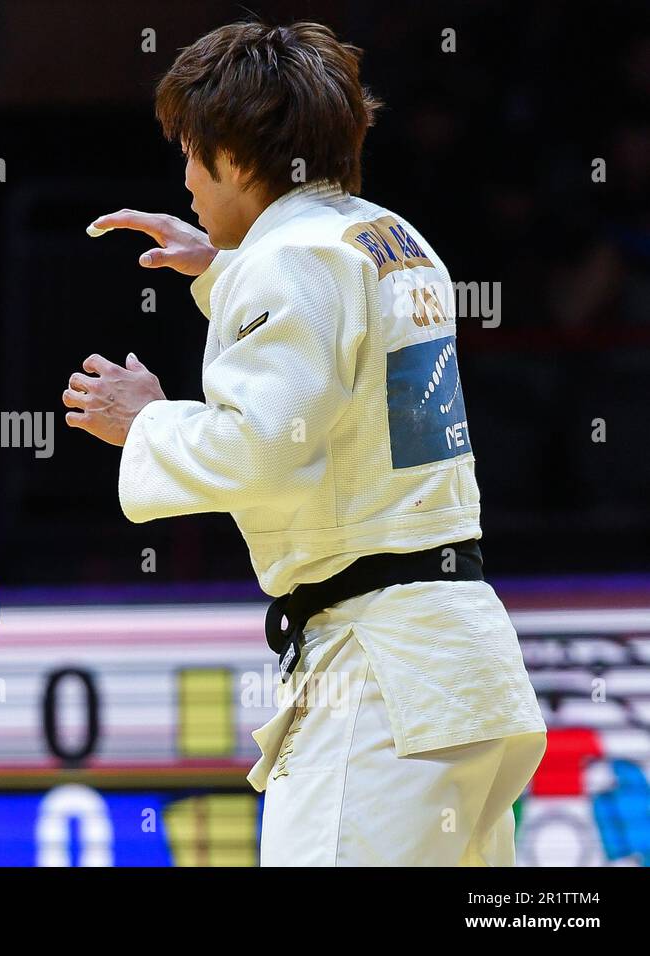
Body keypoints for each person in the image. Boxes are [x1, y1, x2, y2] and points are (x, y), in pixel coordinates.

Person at [64, 21, 546, 866]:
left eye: (190, 151)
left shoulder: (292, 260)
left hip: (380, 681)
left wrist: (145, 420)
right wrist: (224, 264)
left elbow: (265, 447)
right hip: (459, 672)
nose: (184, 177)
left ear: (235, 155)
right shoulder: (391, 238)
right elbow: (336, 359)